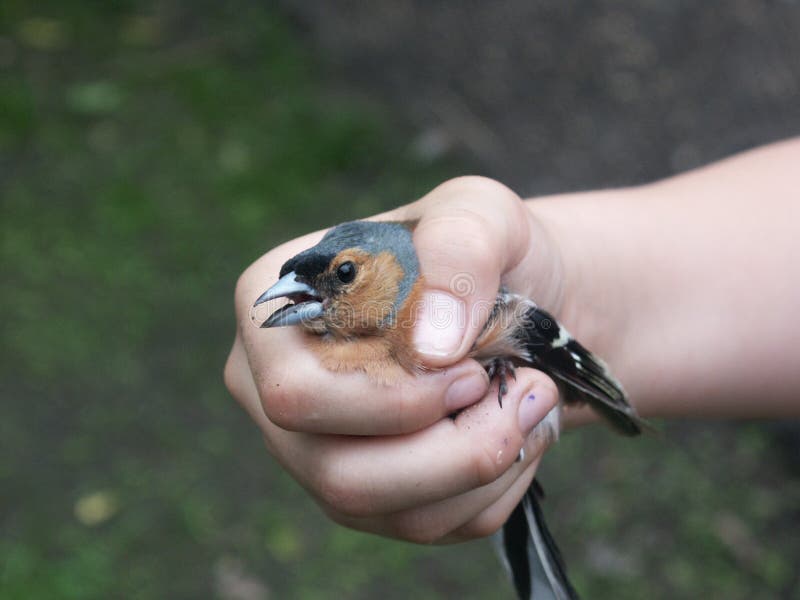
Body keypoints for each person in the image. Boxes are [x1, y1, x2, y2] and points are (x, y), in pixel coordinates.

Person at [224, 137, 800, 544]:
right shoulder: (409, 310)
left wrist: (598, 387)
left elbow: (543, 338)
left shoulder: (439, 306)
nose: (307, 296)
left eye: (345, 275)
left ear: (390, 269)